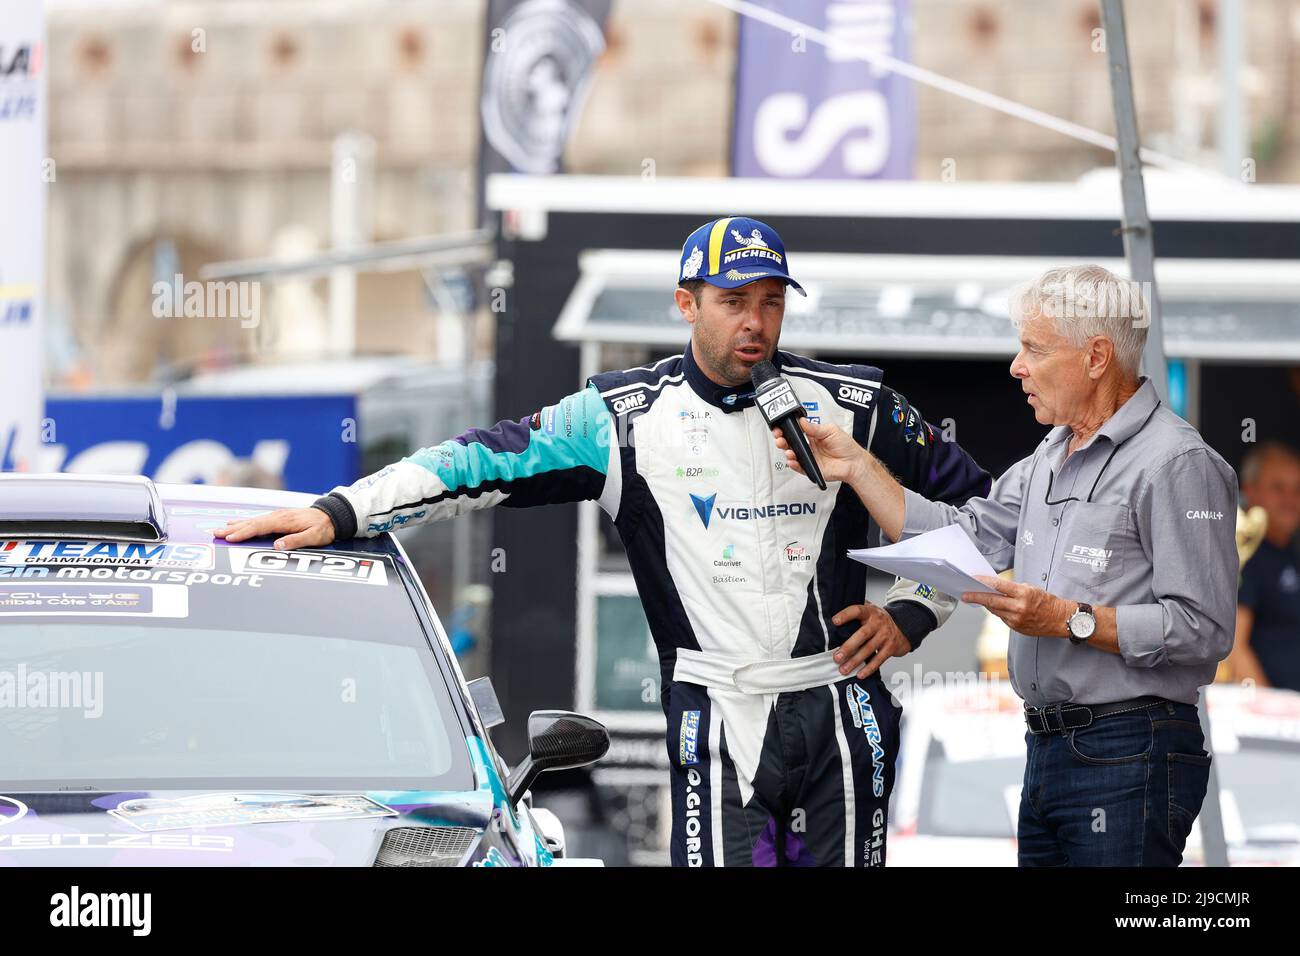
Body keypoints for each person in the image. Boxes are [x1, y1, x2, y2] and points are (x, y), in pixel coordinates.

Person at [215, 216, 991, 867]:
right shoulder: (620, 418)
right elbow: (475, 460)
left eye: (771, 302)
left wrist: (914, 611)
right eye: (732, 302)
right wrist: (345, 511)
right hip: (717, 710)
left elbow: (988, 513)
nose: (755, 323)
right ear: (687, 304)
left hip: (838, 705)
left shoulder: (853, 403)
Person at [773, 264, 1238, 867]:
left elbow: (1205, 630)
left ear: (1096, 356)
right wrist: (858, 466)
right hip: (1050, 747)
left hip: (1132, 747)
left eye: (1033, 348)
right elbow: (959, 541)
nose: (1016, 367)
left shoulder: (1177, 463)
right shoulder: (1051, 454)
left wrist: (1068, 619)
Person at [1232, 442, 1300, 691]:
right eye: (1278, 488)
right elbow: (1234, 647)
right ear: (1249, 490)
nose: (1290, 499)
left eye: (1297, 489)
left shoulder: (1288, 553)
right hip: (1274, 722)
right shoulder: (1245, 555)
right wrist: (1274, 713)